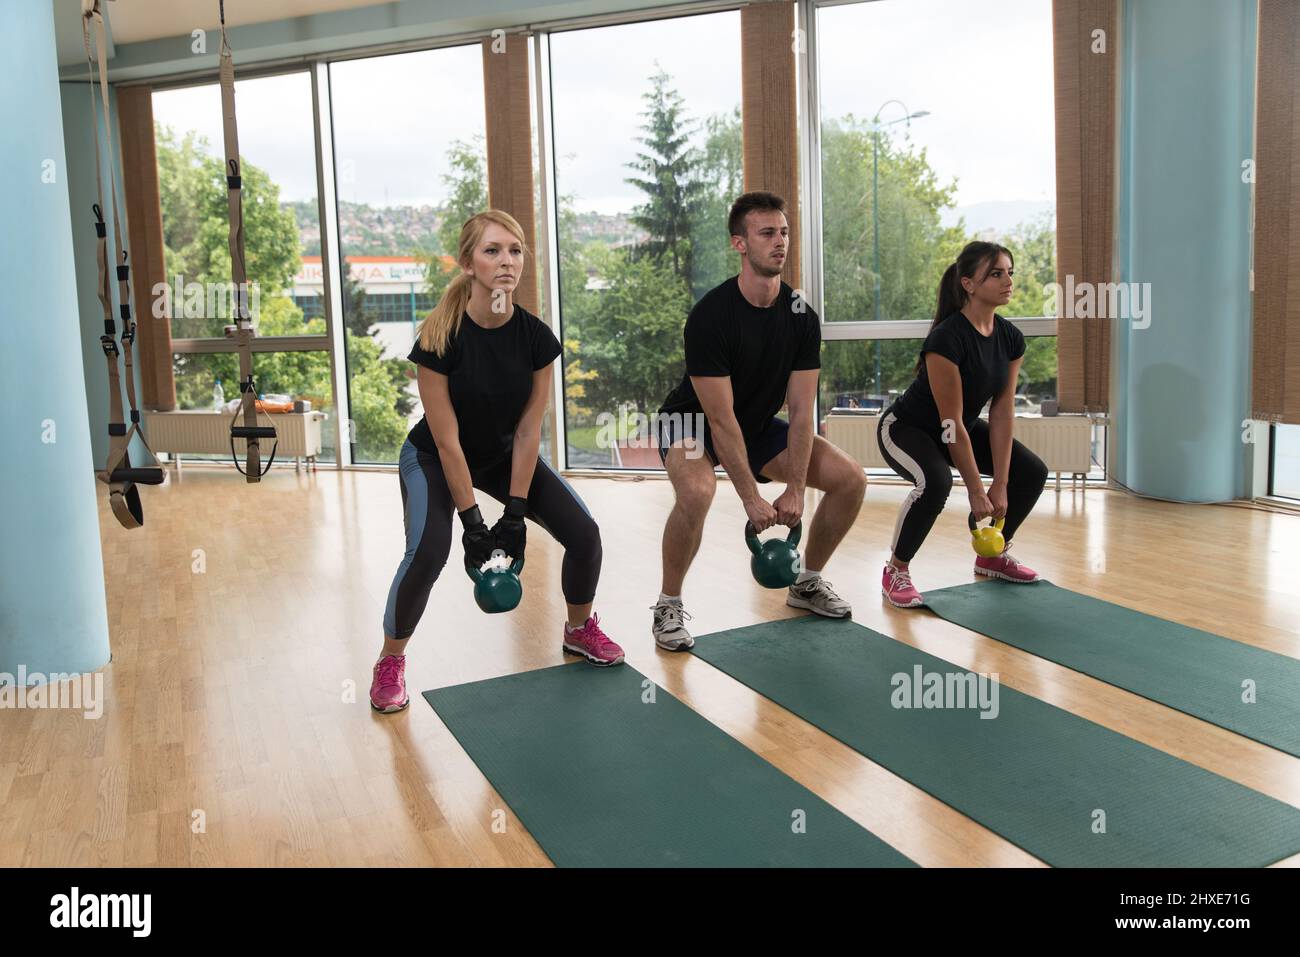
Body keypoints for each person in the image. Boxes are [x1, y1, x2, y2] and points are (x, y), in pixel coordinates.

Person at [371, 210, 622, 713]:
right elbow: (448, 443)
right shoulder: (439, 340)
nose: (507, 261)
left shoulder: (534, 338)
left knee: (584, 534)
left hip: (504, 455)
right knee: (429, 551)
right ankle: (390, 660)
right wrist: (473, 524)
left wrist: (514, 510)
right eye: (492, 251)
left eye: (515, 250)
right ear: (468, 263)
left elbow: (530, 430)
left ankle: (578, 629)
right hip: (434, 458)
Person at [651, 191, 868, 650]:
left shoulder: (800, 317)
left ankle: (806, 584)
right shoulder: (711, 317)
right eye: (767, 233)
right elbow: (718, 418)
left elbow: (802, 410)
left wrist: (794, 488)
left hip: (753, 425)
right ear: (740, 244)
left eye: (784, 232)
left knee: (849, 478)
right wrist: (751, 498)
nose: (780, 242)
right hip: (692, 424)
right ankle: (668, 605)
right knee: (696, 490)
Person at [876, 241, 1048, 608]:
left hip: (959, 428)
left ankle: (991, 555)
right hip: (907, 429)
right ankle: (896, 570)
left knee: (1031, 472)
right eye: (996, 274)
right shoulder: (947, 339)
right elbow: (950, 422)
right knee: (935, 482)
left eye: (1010, 273)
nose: (1008, 281)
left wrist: (999, 484)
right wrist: (975, 489)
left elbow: (1001, 412)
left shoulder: (1010, 338)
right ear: (969, 284)